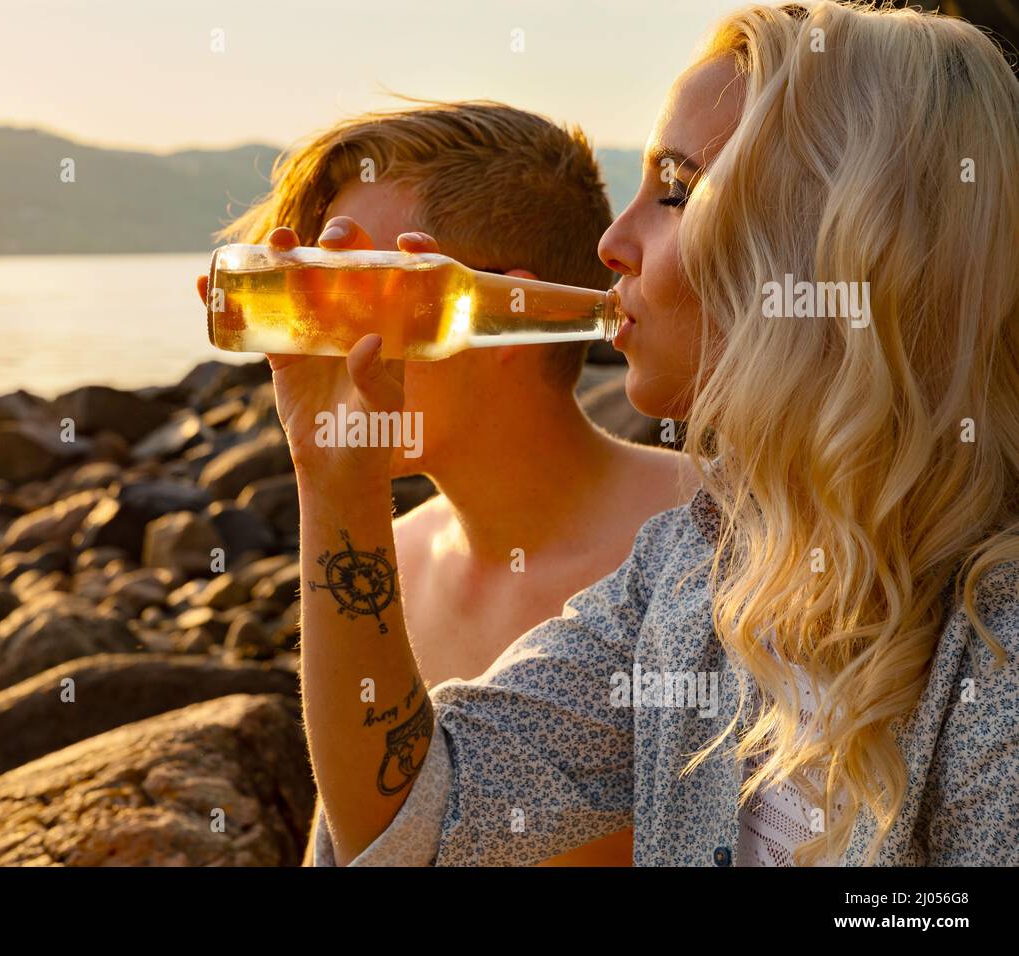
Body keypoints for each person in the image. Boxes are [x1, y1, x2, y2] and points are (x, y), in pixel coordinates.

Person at [268, 0, 1019, 865]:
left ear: (840, 239)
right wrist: (337, 488)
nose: (612, 242)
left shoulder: (991, 633)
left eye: (677, 190)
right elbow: (415, 819)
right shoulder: (694, 575)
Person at [207, 101, 694, 865]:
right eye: (319, 283)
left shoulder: (720, 541)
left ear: (503, 312)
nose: (320, 323)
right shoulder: (379, 560)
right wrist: (331, 471)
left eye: (364, 283)